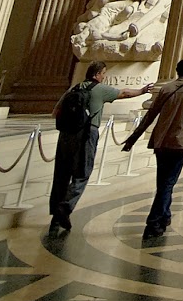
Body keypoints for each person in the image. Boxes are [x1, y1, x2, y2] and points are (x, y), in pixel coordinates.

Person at [48, 62, 152, 237]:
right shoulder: (100, 89)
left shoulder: (74, 88)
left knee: (61, 175)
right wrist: (142, 91)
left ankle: (55, 218)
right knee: (82, 173)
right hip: (87, 134)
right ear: (97, 74)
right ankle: (64, 207)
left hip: (66, 134)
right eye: (103, 73)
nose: (104, 76)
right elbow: (124, 93)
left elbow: (55, 111)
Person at [121, 56, 183, 241]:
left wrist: (133, 138)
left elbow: (150, 115)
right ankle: (153, 222)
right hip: (179, 143)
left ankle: (164, 216)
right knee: (167, 184)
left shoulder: (166, 88)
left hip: (161, 142)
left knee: (163, 183)